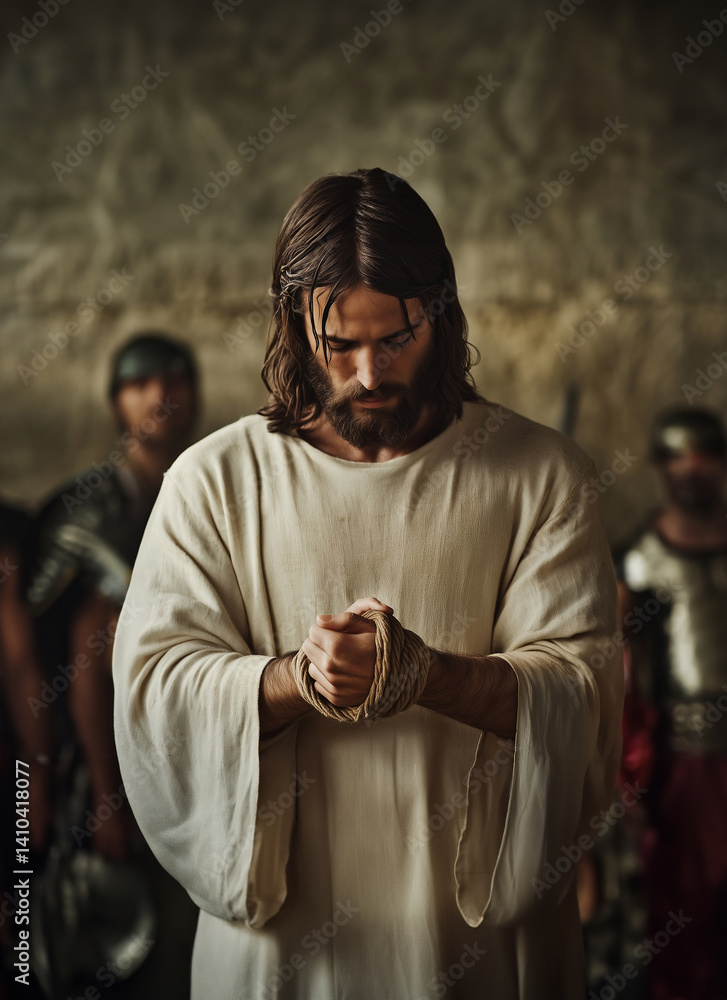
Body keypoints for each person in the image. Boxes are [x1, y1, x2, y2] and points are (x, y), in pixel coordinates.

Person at [112, 168, 623, 999]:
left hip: (479, 956)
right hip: (280, 958)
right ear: (290, 324)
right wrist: (293, 681)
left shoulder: (540, 477)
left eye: (394, 339)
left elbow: (583, 698)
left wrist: (421, 675)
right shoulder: (213, 482)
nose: (367, 373)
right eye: (337, 344)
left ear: (442, 316)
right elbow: (153, 693)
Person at [26, 332, 199, 861]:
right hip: (95, 757)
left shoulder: (201, 491)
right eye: (139, 383)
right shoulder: (92, 508)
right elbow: (85, 654)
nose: (159, 395)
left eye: (173, 380)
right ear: (115, 401)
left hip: (188, 740)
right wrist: (106, 799)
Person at [616, 405, 727, 1000]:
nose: (694, 468)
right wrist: (628, 778)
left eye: (705, 453)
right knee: (687, 923)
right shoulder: (639, 561)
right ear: (662, 466)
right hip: (682, 762)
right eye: (680, 455)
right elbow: (623, 681)